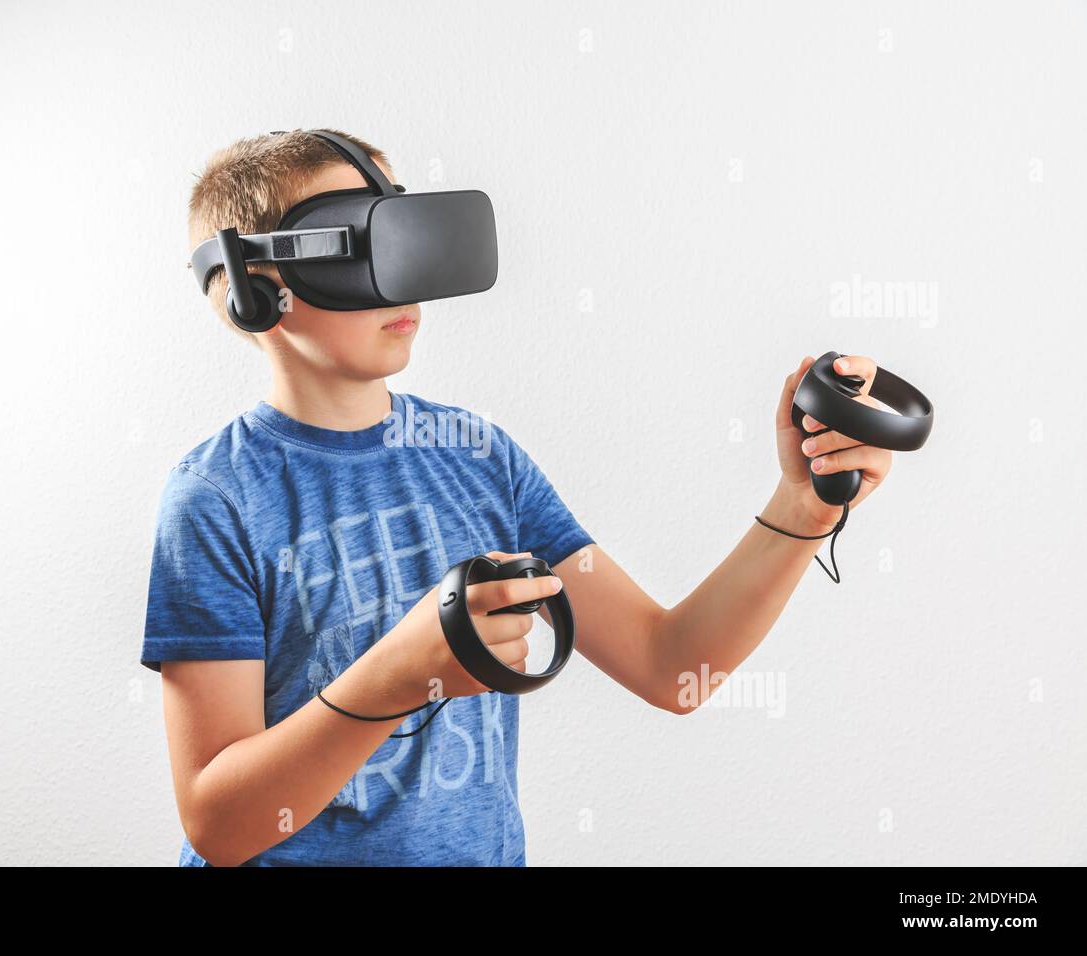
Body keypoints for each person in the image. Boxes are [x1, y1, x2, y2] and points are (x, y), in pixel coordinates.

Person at [140, 128, 894, 866]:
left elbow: (671, 667)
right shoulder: (216, 499)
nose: (401, 276)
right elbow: (219, 826)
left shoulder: (478, 457)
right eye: (357, 245)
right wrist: (398, 674)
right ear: (254, 288)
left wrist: (803, 510)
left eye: (401, 232)